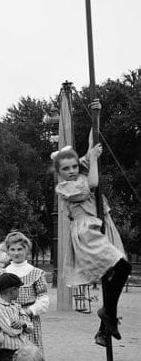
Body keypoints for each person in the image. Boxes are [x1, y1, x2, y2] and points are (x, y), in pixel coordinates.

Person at [53, 132, 131, 345]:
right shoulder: (65, 187)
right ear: (58, 172)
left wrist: (95, 113)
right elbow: (94, 183)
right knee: (123, 267)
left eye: (74, 167)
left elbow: (91, 146)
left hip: (102, 224)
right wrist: (94, 159)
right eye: (65, 169)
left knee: (114, 273)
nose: (71, 171)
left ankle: (105, 327)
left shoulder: (81, 170)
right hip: (88, 231)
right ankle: (108, 316)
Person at [3, 232, 48, 351]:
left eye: (20, 249)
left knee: (30, 355)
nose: (16, 253)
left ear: (26, 250)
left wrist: (29, 311)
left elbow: (44, 299)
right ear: (8, 251)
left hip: (29, 320)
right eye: (12, 249)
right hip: (8, 320)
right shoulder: (3, 273)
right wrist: (6, 312)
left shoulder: (35, 273)